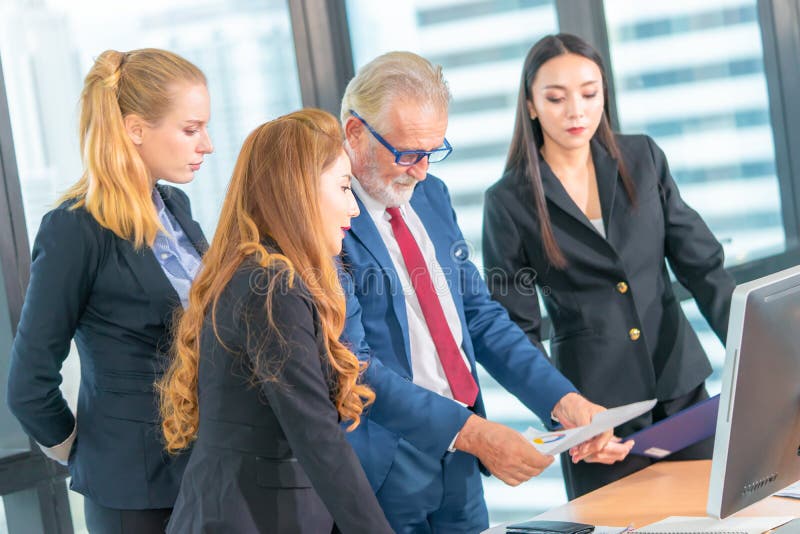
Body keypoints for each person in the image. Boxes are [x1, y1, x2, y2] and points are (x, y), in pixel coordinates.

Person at [338, 51, 632, 533]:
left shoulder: (431, 195)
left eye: (434, 152)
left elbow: (477, 315)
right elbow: (353, 362)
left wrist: (562, 399)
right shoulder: (327, 218)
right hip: (383, 465)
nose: (422, 171)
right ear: (355, 133)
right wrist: (471, 433)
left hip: (460, 462)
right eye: (409, 153)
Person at [482, 33, 736, 500]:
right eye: (556, 98)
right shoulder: (508, 202)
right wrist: (566, 414)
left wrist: (755, 360)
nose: (576, 110)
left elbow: (705, 269)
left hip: (681, 393)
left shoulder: (642, 157)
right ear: (532, 105)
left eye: (589, 93)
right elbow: (515, 329)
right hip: (598, 423)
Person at [6, 48, 213, 532]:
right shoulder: (74, 228)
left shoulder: (175, 205)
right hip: (133, 493)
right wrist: (86, 453)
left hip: (204, 474)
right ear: (136, 129)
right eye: (191, 129)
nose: (207, 144)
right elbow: (28, 385)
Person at [158, 109, 393, 533]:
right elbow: (316, 435)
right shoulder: (273, 288)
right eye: (343, 188)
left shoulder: (260, 273)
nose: (353, 208)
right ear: (298, 191)